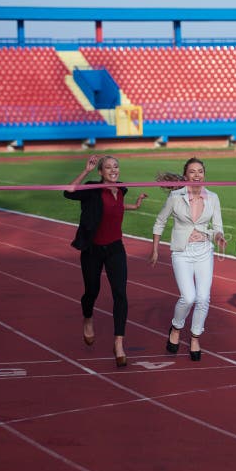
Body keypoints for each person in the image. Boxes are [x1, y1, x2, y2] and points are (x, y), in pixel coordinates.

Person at [64, 155, 147, 367]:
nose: (113, 170)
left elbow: (115, 208)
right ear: (101, 172)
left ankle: (118, 343)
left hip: (115, 249)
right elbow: (69, 192)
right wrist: (86, 171)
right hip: (93, 249)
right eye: (108, 167)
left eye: (116, 166)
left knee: (120, 293)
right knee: (92, 290)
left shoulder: (121, 189)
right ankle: (88, 317)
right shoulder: (92, 188)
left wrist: (134, 207)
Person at [150, 158, 226, 361]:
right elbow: (160, 221)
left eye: (200, 171)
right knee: (189, 297)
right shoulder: (176, 197)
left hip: (204, 251)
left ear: (204, 174)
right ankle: (176, 327)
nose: (197, 175)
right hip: (182, 252)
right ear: (186, 176)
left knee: (203, 298)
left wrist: (218, 237)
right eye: (192, 172)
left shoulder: (213, 197)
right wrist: (156, 249)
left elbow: (217, 226)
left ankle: (195, 337)